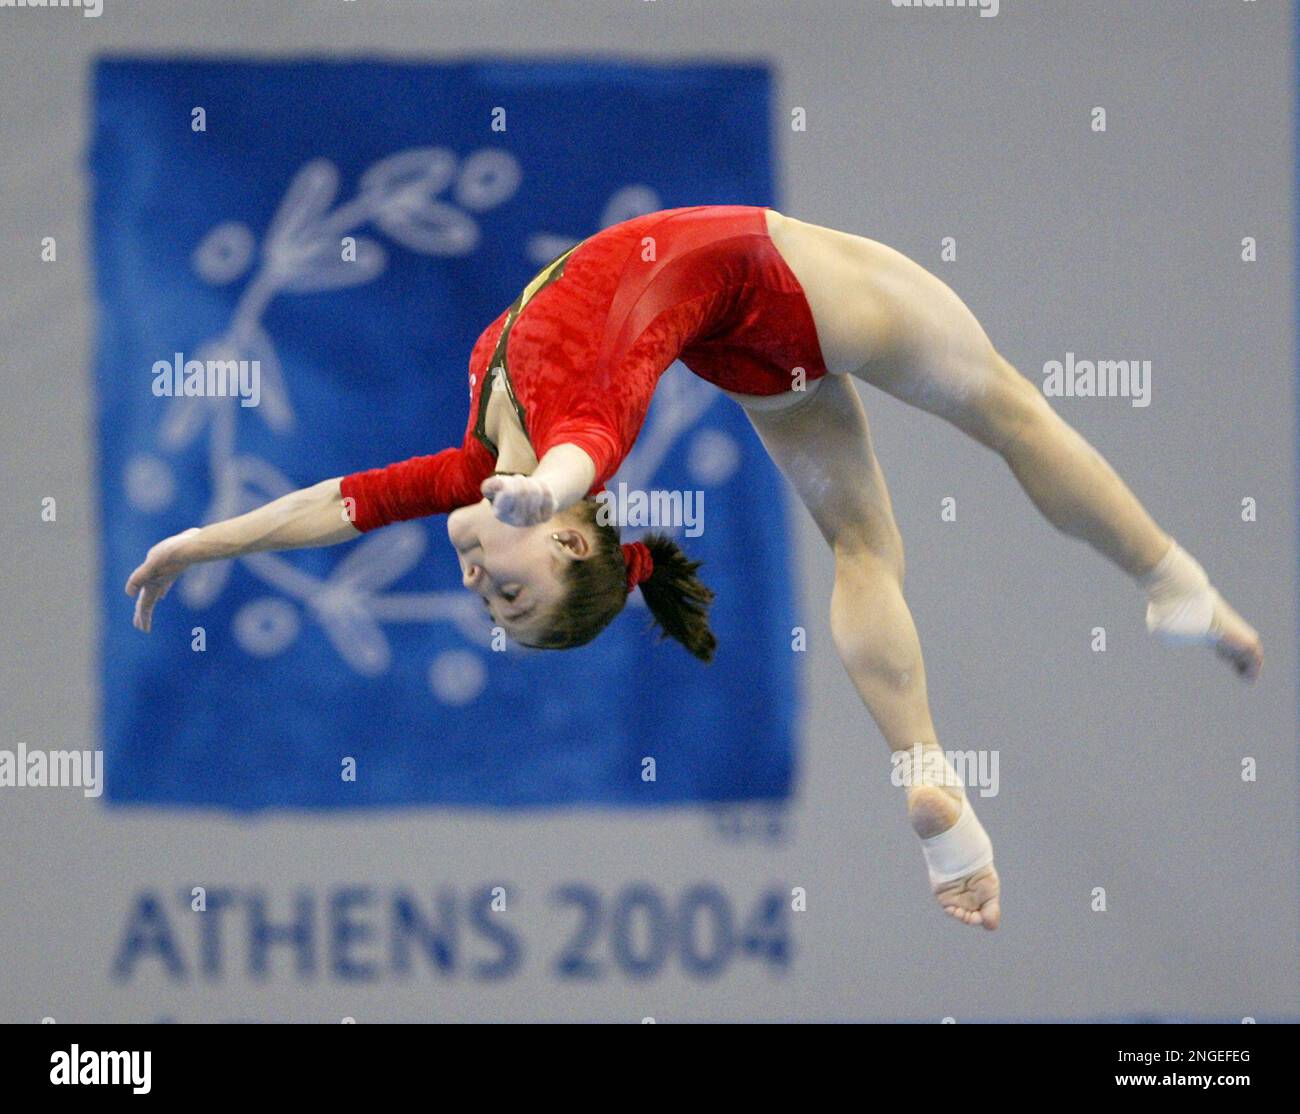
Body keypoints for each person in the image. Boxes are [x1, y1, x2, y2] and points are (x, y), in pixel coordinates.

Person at [127, 205, 1263, 929]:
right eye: (510, 595)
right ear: (574, 541)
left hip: (734, 339)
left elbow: (338, 506)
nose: (478, 586)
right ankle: (1169, 584)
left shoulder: (477, 461)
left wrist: (202, 541)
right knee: (1010, 412)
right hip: (785, 279)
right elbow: (585, 443)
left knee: (866, 544)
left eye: (486, 601)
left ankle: (944, 799)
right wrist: (550, 489)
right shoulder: (569, 449)